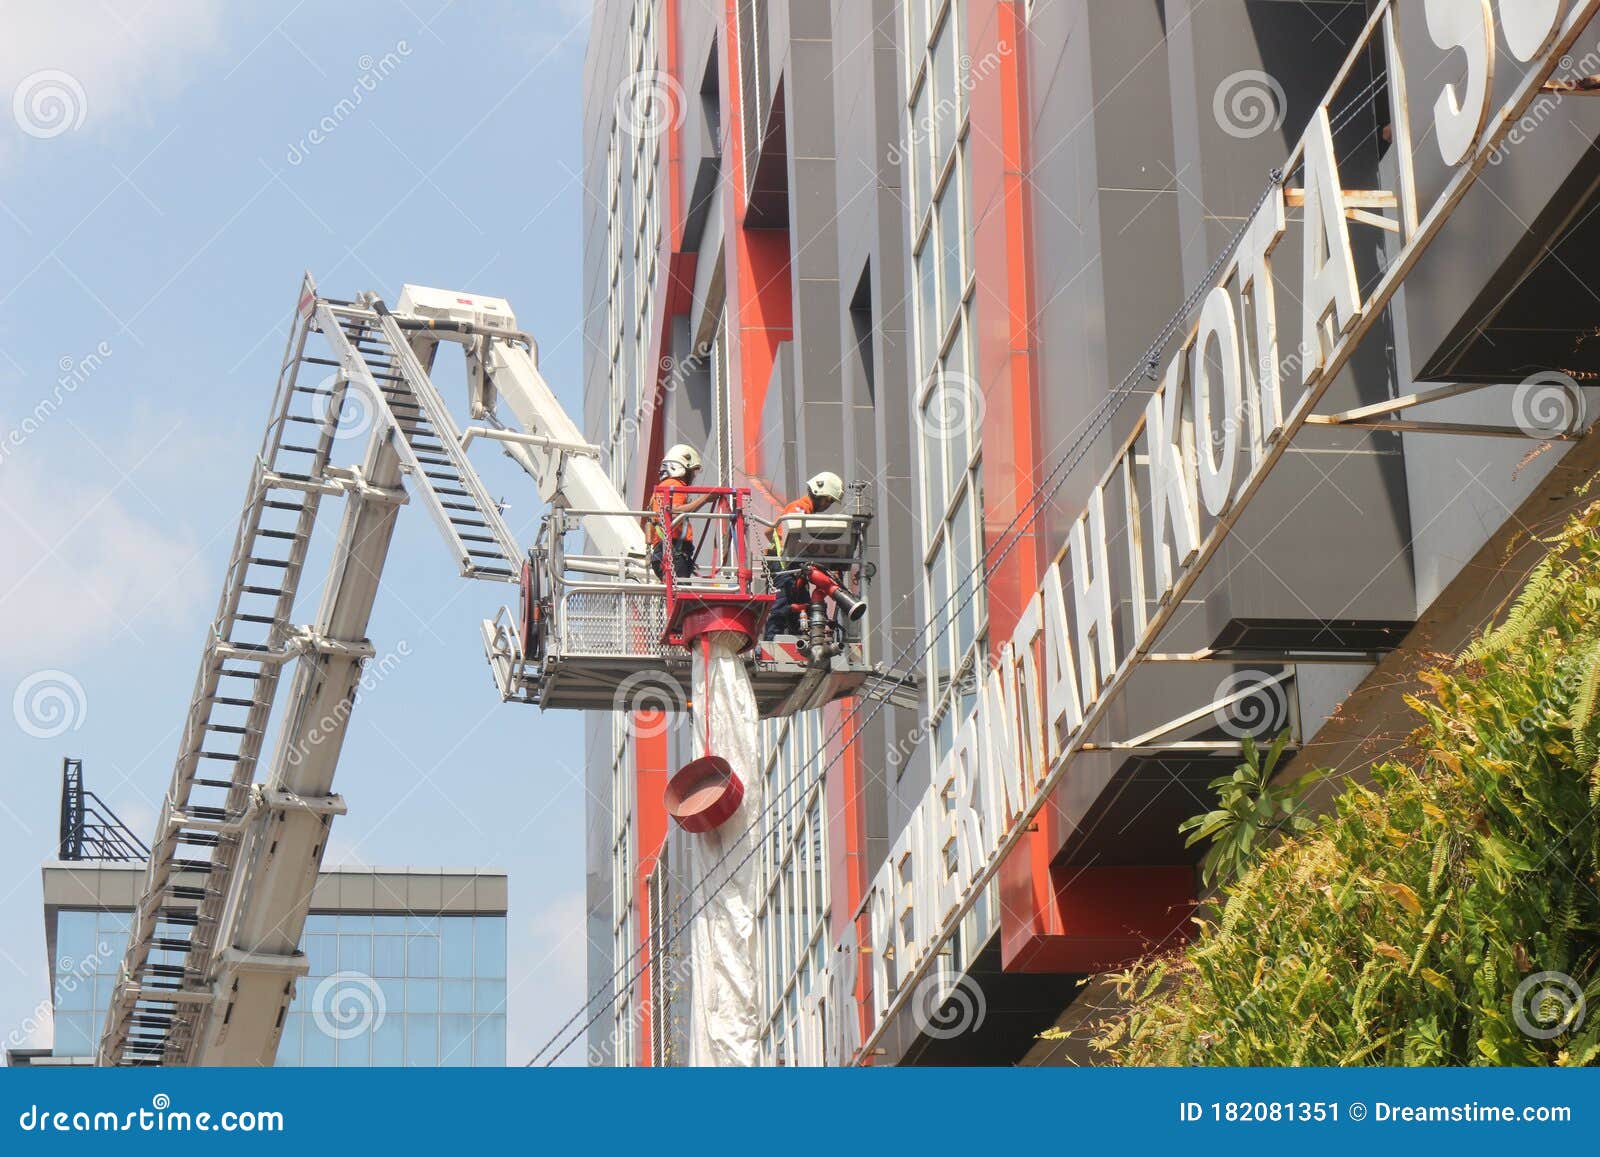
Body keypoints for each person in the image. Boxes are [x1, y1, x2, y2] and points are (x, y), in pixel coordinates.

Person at [765, 471, 845, 639]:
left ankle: (799, 639)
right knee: (781, 605)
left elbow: (768, 532)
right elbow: (796, 540)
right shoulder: (799, 509)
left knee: (803, 605)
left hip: (792, 566)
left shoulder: (804, 510)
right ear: (820, 495)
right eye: (828, 501)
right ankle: (771, 641)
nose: (827, 505)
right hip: (783, 566)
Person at [646, 443, 711, 580]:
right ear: (680, 468)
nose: (693, 476)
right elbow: (674, 512)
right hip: (672, 552)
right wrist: (705, 499)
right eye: (691, 472)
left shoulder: (663, 488)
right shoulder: (674, 485)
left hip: (667, 552)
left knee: (679, 596)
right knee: (682, 597)